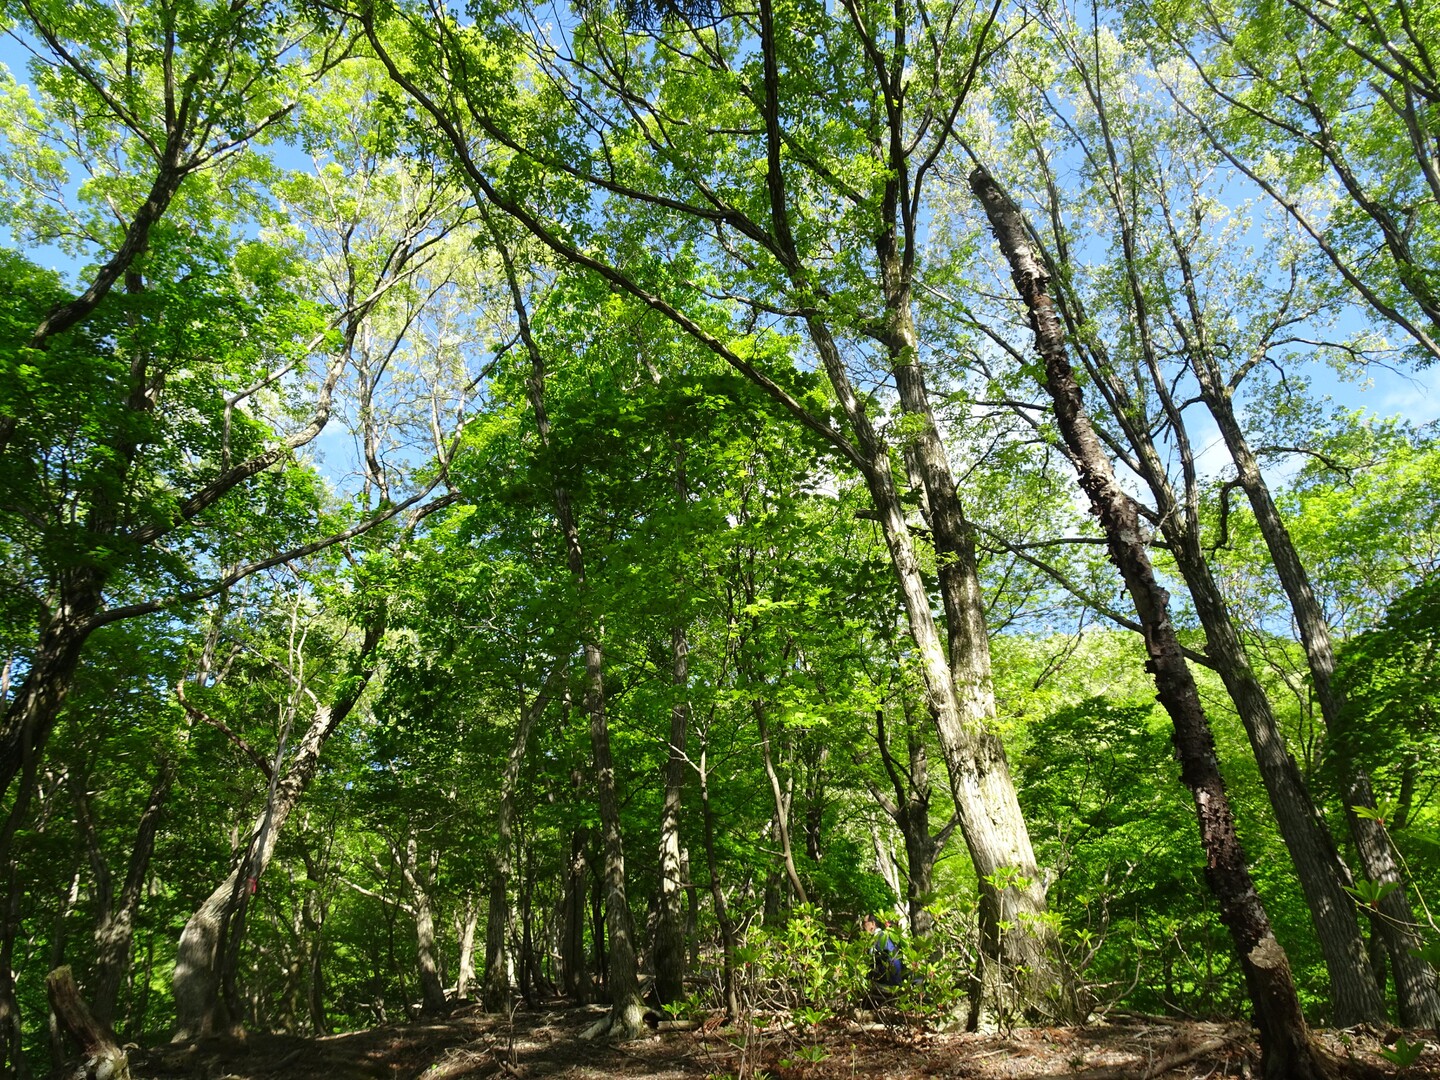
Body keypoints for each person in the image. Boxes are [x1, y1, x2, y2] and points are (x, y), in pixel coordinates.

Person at [862, 914, 904, 987]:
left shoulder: (882, 937)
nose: (863, 926)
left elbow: (890, 958)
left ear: (873, 923)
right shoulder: (874, 939)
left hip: (887, 984)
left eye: (864, 923)